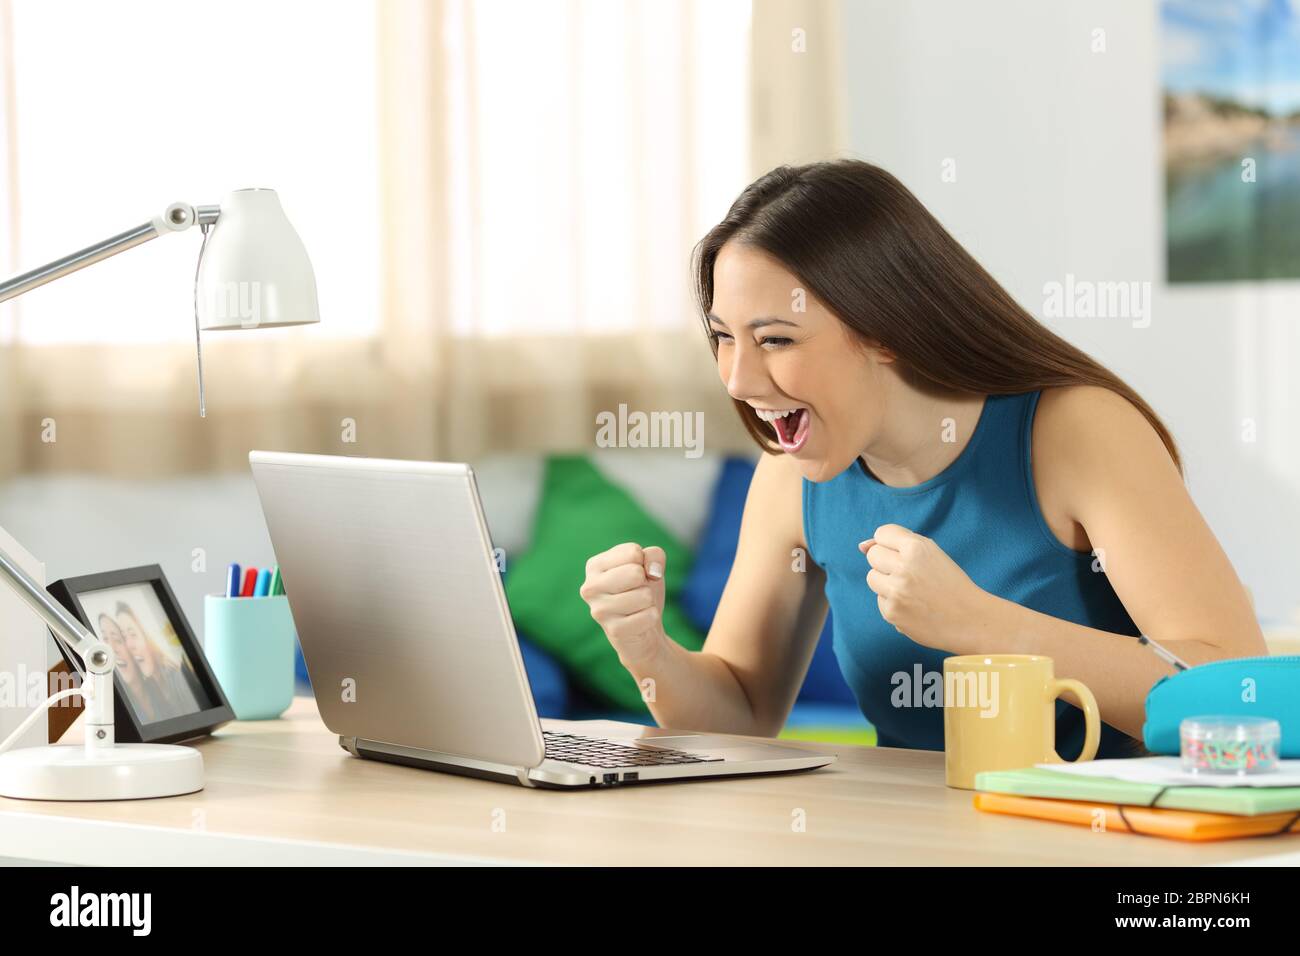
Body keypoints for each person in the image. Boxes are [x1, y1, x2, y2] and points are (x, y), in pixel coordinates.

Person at [578, 159, 1267, 758]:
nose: (737, 379)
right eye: (724, 337)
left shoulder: (1076, 430)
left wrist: (984, 625)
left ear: (885, 330)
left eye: (776, 340)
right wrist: (650, 652)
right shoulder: (793, 476)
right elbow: (741, 718)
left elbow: (1239, 700)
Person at [115, 602, 200, 721]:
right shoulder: (149, 694)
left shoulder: (180, 679)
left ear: (149, 637)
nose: (129, 645)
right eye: (124, 638)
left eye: (133, 634)